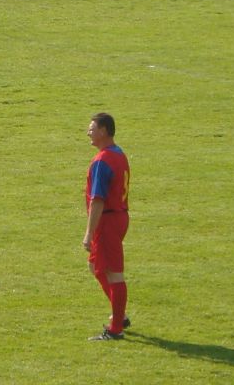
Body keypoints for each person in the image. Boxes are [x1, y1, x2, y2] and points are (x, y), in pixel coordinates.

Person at [83, 112, 130, 341]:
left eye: (92, 128)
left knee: (113, 273)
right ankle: (119, 315)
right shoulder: (118, 154)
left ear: (103, 131)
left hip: (108, 220)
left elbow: (97, 200)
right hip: (120, 216)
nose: (88, 132)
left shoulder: (102, 161)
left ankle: (116, 329)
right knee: (97, 268)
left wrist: (89, 233)